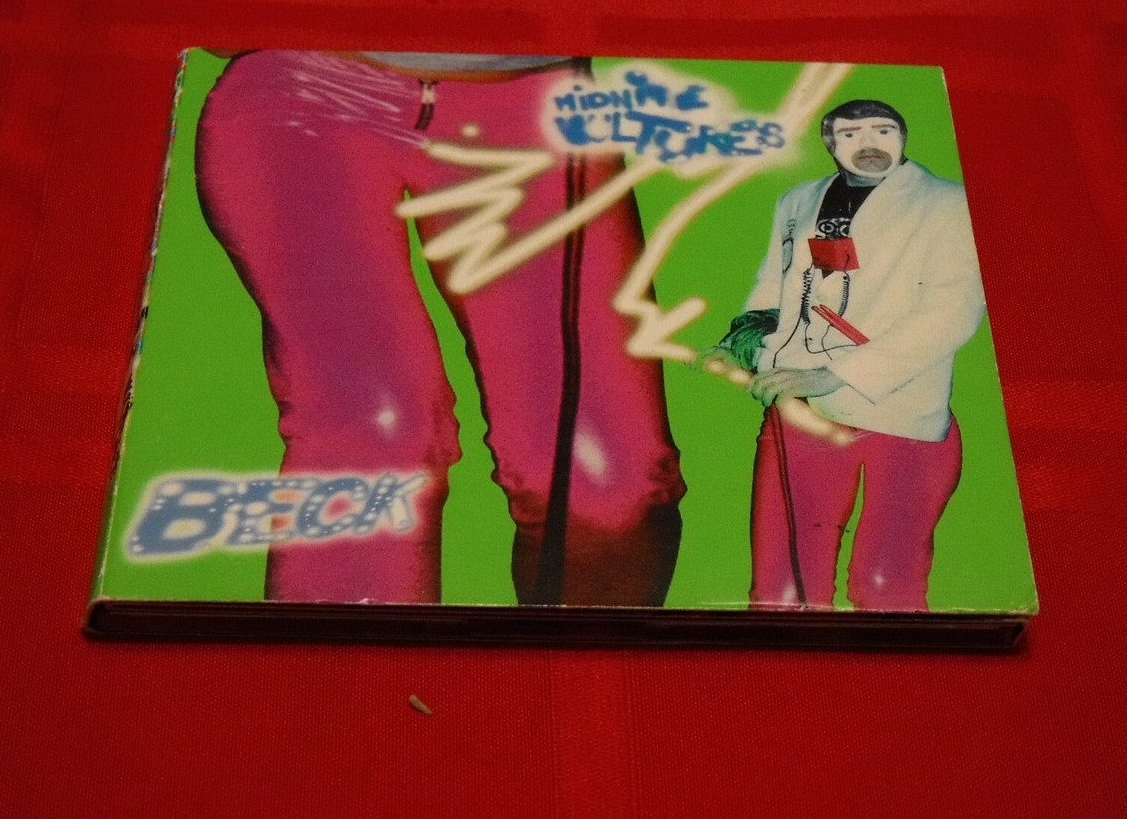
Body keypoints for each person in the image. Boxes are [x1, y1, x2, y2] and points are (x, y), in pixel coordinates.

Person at [195, 50, 685, 607]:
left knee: (608, 488)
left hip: (530, 101)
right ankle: (344, 668)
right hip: (304, 91)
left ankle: (566, 667)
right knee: (373, 434)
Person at [715, 99, 984, 611]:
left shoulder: (949, 203)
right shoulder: (798, 199)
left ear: (903, 137)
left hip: (899, 415)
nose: (869, 144)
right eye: (851, 134)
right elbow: (776, 283)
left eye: (883, 131)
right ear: (829, 141)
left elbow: (953, 311)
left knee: (886, 587)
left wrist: (837, 374)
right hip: (800, 412)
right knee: (782, 593)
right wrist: (743, 339)